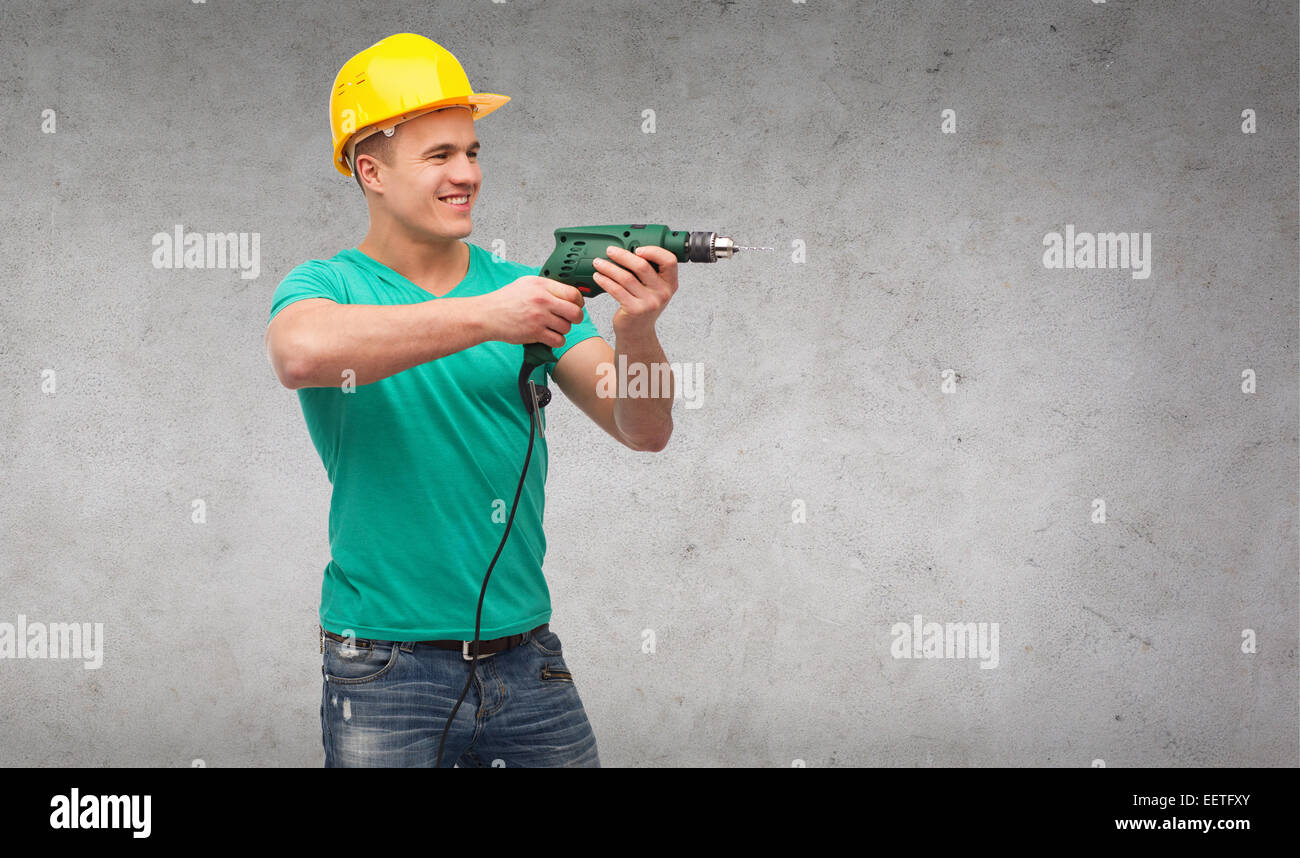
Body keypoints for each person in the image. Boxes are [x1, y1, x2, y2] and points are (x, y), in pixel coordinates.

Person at [264, 34, 678, 767]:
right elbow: (300, 354)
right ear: (371, 171)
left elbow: (641, 427)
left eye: (473, 152)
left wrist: (637, 330)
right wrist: (491, 317)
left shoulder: (532, 291)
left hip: (529, 661)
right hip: (383, 666)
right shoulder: (327, 286)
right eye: (439, 157)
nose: (467, 175)